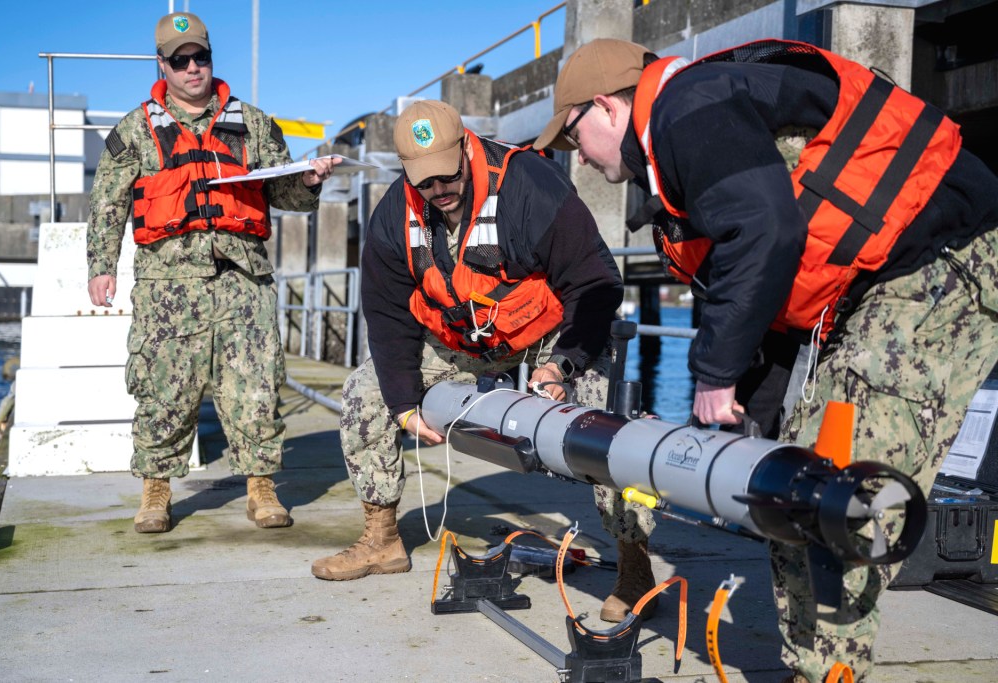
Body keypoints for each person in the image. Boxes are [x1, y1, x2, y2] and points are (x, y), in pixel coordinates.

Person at [534, 38, 998, 682]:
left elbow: (766, 229)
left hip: (941, 267)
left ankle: (822, 671)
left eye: (574, 134)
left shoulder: (685, 110)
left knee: (825, 496)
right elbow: (777, 291)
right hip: (882, 285)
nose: (577, 157)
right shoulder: (678, 150)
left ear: (608, 107)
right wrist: (752, 422)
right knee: (793, 482)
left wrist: (714, 376)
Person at [310, 99, 659, 623]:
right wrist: (406, 404)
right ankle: (381, 538)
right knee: (367, 389)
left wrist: (563, 365)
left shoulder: (529, 186)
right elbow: (386, 315)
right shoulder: (393, 215)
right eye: (424, 182)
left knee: (604, 429)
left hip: (550, 332)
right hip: (465, 337)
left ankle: (633, 564)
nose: (438, 190)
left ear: (466, 146)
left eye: (448, 175)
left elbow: (597, 282)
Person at [86, 12, 340, 534]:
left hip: (243, 279)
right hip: (167, 285)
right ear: (163, 64)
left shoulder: (255, 124)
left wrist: (311, 180)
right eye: (181, 60)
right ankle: (156, 492)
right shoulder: (134, 129)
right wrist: (101, 267)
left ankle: (261, 487)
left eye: (201, 56)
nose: (193, 67)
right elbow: (107, 203)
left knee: (255, 385)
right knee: (164, 390)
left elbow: (285, 193)